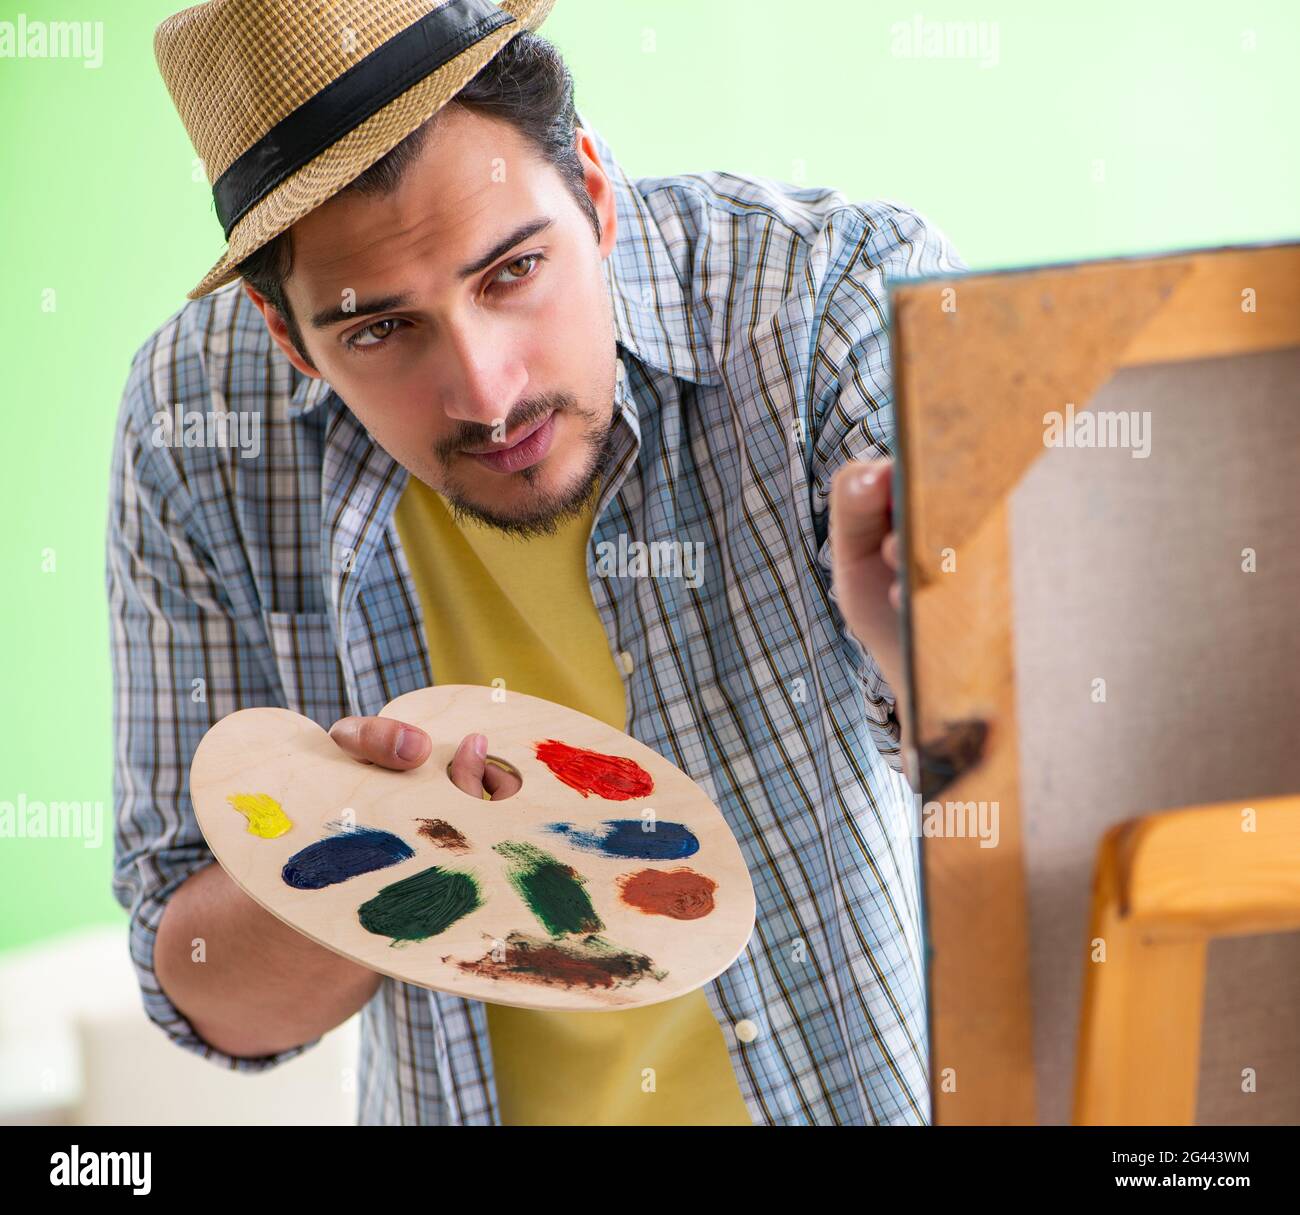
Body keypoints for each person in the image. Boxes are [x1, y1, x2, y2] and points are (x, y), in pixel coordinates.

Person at [109, 0, 965, 1126]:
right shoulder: (198, 422)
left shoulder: (826, 299)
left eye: (511, 273)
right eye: (379, 331)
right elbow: (217, 1002)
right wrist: (372, 854)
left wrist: (933, 664)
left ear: (596, 190)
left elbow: (1052, 771)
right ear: (287, 336)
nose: (488, 391)